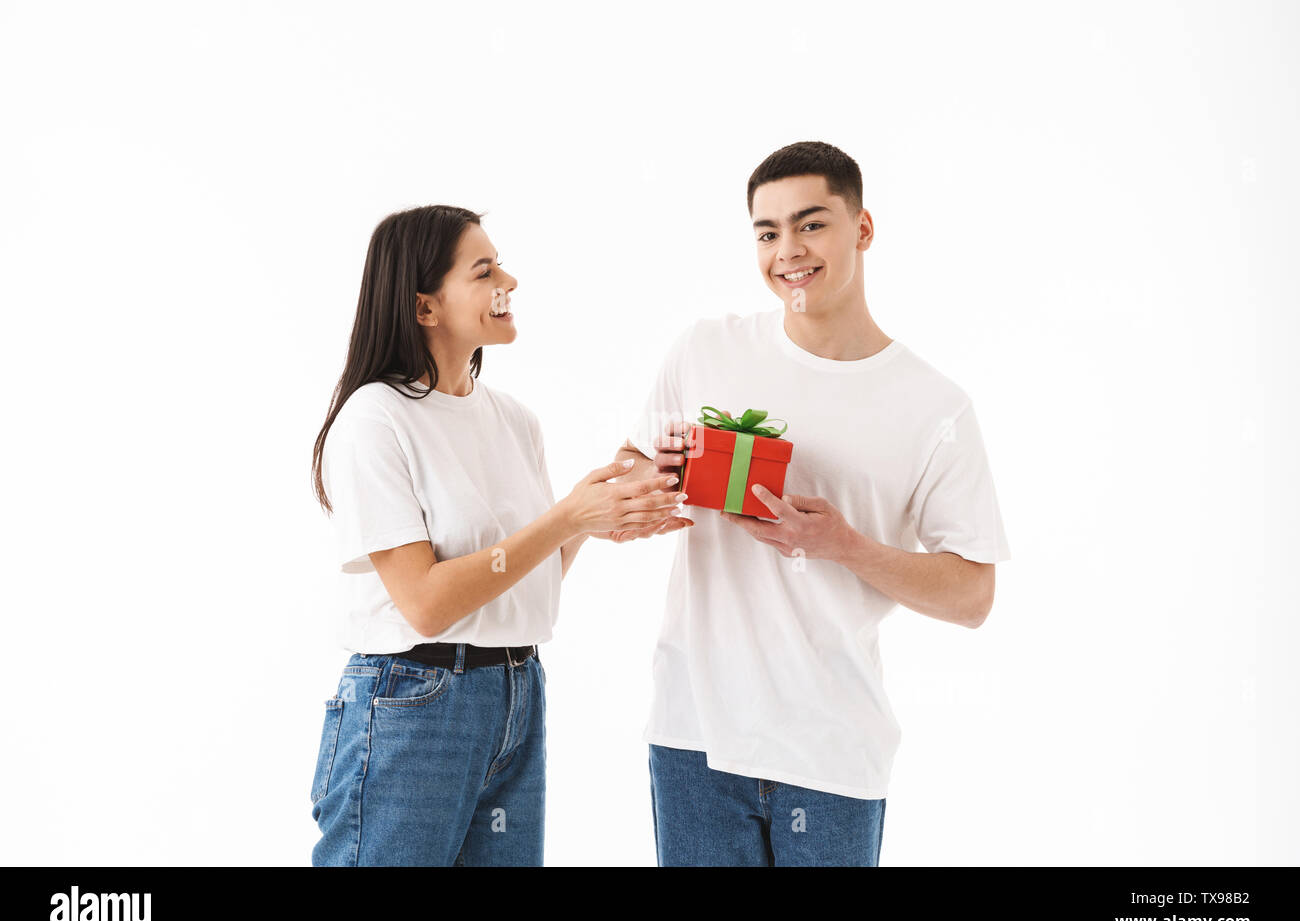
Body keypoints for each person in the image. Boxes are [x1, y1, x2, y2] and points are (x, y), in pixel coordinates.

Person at [612, 141, 1011, 866]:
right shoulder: (705, 349)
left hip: (831, 752)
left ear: (862, 228)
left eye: (810, 224)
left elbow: (973, 596)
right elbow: (628, 471)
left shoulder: (934, 407)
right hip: (694, 736)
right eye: (767, 233)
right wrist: (654, 480)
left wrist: (844, 545)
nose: (787, 252)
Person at [307, 204, 689, 866]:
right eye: (484, 271)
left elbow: (516, 580)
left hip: (515, 692)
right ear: (425, 307)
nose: (508, 280)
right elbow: (426, 602)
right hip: (414, 701)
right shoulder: (374, 420)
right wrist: (567, 518)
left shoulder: (515, 420)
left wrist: (594, 516)